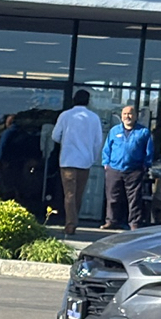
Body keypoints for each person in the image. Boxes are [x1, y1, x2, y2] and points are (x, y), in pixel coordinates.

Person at [50, 90, 104, 235]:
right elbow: (98, 141)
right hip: (85, 161)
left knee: (69, 194)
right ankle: (74, 221)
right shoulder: (94, 118)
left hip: (68, 160)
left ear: (74, 99)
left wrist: (66, 141)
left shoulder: (66, 115)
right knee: (78, 194)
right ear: (88, 101)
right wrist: (92, 158)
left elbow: (55, 136)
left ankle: (70, 223)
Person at [101, 105, 156, 229]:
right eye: (125, 114)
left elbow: (149, 151)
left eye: (130, 114)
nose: (127, 116)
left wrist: (145, 165)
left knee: (134, 199)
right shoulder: (114, 131)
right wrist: (106, 163)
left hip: (134, 170)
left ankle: (134, 223)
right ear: (121, 116)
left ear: (136, 116)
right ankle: (111, 221)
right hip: (114, 168)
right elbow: (107, 149)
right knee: (112, 197)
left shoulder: (143, 132)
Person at [0, 114, 24, 201]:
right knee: (17, 179)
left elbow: (2, 146)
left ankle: (7, 197)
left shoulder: (7, 132)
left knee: (6, 179)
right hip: (19, 160)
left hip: (7, 160)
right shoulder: (22, 132)